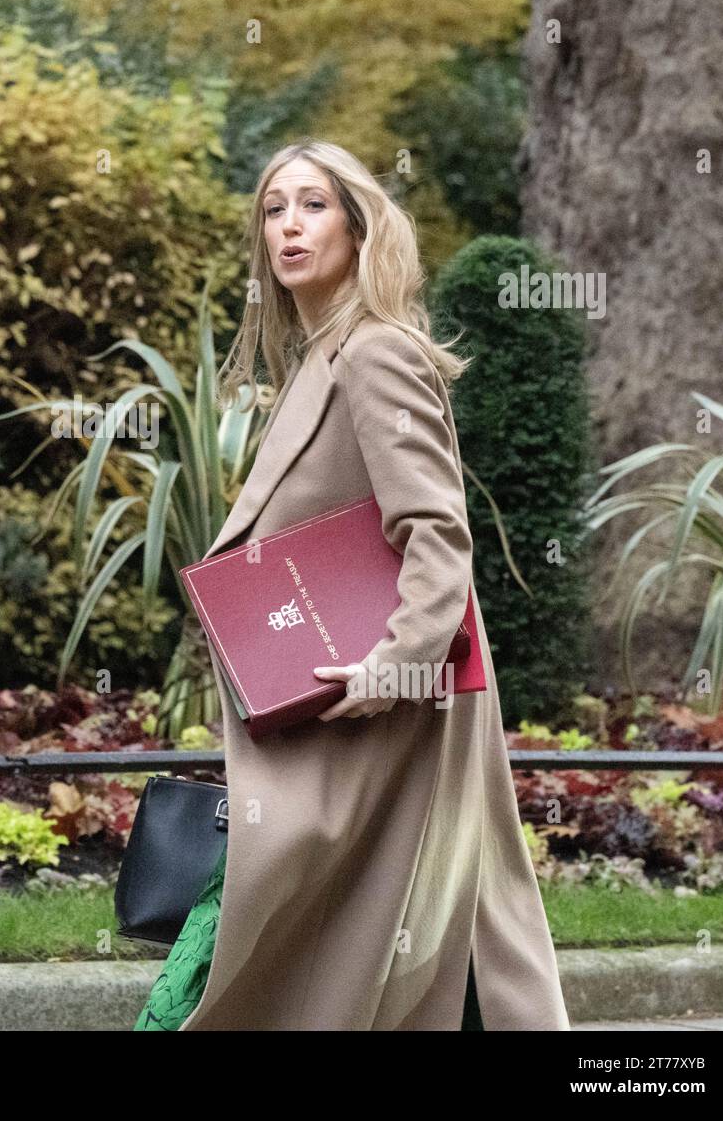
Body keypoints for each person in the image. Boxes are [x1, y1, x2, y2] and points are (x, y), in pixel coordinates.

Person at [135, 139, 570, 1031]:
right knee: (418, 909)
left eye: (314, 205)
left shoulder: (373, 354)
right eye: (274, 209)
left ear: (359, 223)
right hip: (346, 704)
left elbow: (438, 533)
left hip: (380, 705)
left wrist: (390, 670)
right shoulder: (325, 353)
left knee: (322, 904)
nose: (290, 226)